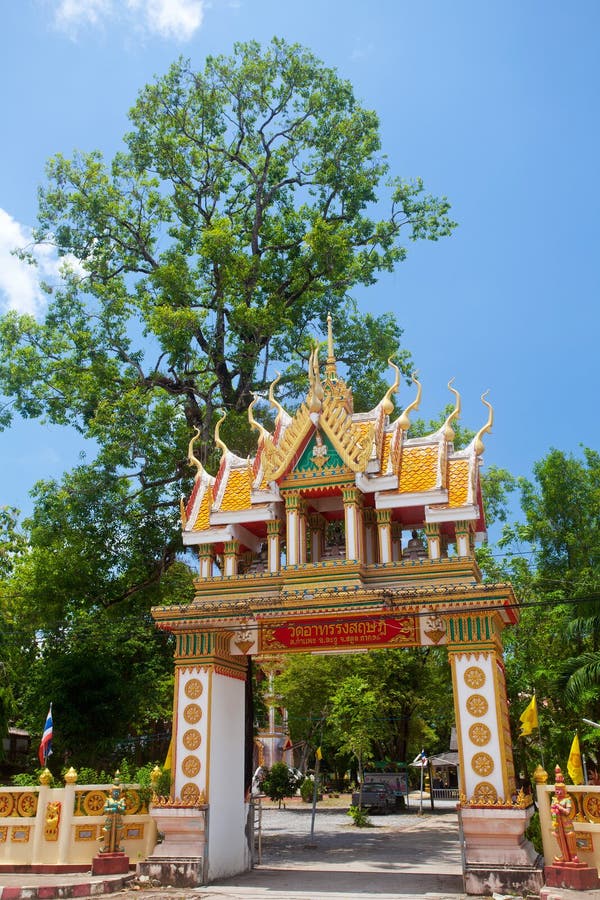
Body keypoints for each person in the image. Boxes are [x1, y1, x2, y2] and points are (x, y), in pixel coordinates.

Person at [550, 766, 579, 864]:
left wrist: (560, 807)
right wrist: (554, 812)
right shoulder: (554, 800)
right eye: (556, 790)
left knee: (569, 837)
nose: (558, 792)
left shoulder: (567, 800)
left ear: (564, 790)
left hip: (566, 824)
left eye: (560, 790)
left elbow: (567, 812)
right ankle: (563, 855)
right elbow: (552, 811)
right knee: (559, 838)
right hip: (558, 824)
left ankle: (573, 856)